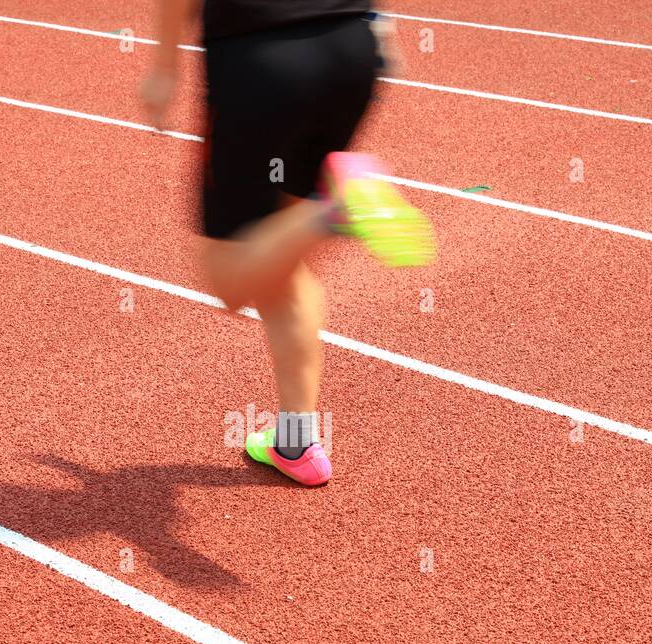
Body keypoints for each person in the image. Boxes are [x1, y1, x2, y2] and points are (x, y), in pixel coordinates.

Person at [141, 0, 435, 486]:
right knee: (283, 268)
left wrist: (163, 68)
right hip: (349, 49)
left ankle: (336, 208)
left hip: (262, 63)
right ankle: (295, 442)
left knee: (229, 282)